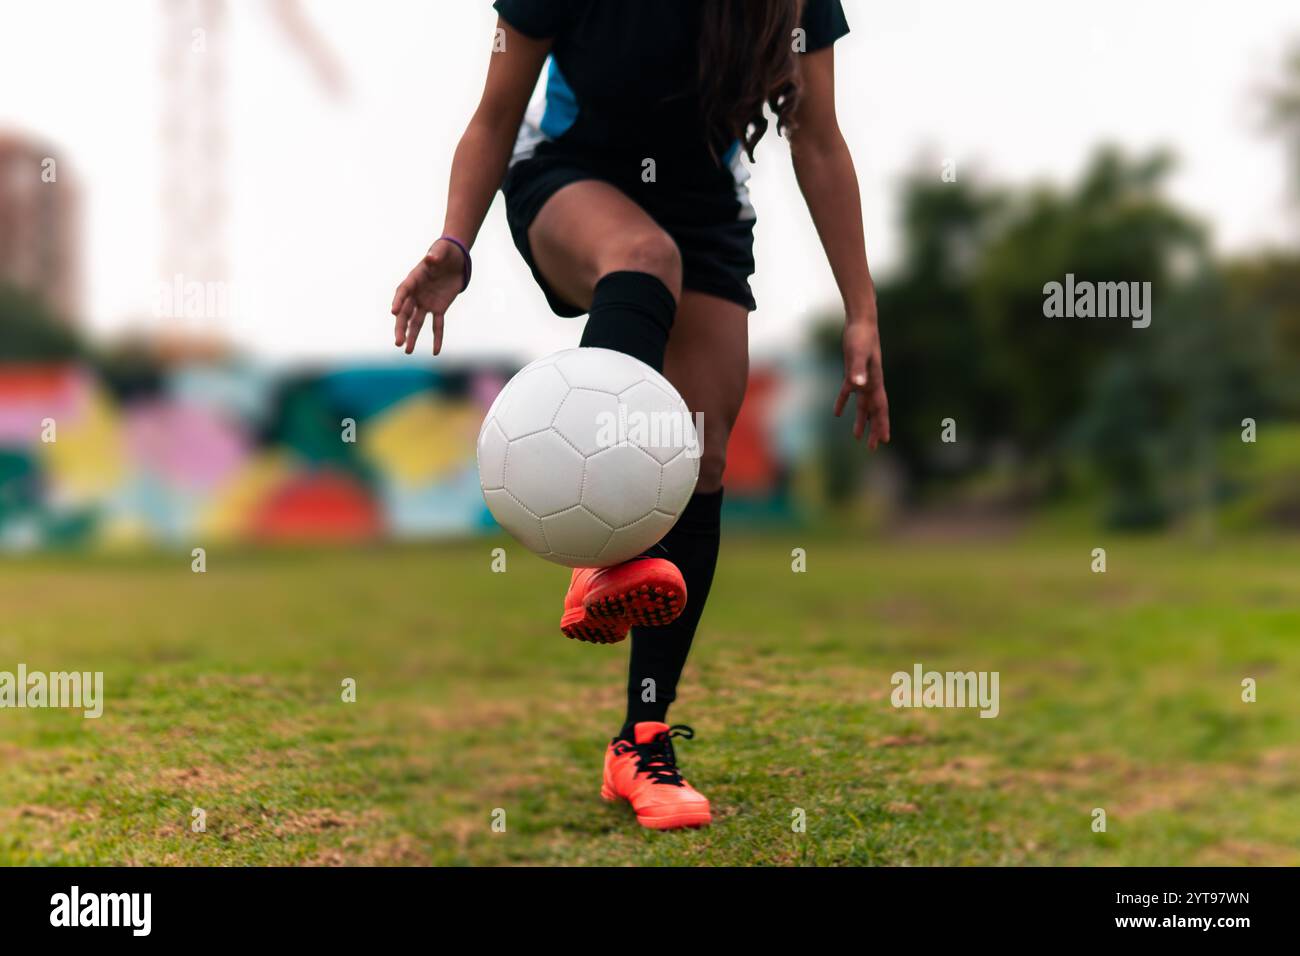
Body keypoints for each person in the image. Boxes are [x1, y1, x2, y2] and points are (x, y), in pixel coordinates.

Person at [389, 0, 889, 831]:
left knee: (702, 455)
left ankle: (641, 743)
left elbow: (820, 141)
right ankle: (603, 548)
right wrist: (455, 243)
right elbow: (495, 114)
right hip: (565, 176)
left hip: (705, 215)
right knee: (641, 257)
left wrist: (862, 309)